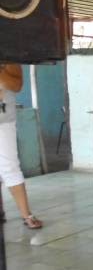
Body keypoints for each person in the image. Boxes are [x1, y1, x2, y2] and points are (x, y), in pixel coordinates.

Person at [0, 63, 43, 229]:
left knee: (10, 167)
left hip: (3, 120)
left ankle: (27, 215)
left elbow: (16, 85)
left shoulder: (8, 55)